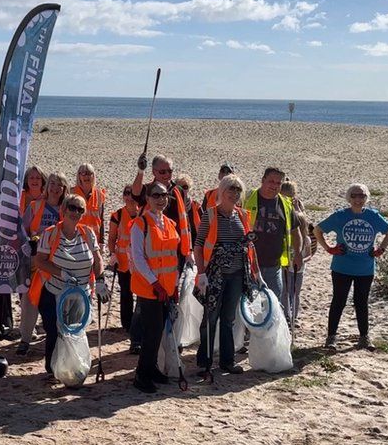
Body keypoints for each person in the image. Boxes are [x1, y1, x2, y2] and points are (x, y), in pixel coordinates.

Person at [29, 195, 107, 376]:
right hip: (54, 292)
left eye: (80, 209)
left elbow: (97, 259)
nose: (76, 212)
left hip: (81, 294)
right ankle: (53, 369)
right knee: (55, 331)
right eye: (72, 208)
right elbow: (40, 262)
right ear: (63, 209)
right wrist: (62, 273)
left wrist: (101, 279)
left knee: (75, 331)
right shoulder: (50, 233)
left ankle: (72, 368)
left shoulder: (87, 233)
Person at [314, 183, 388, 350]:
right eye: (354, 196)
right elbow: (318, 230)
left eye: (362, 196)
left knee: (361, 302)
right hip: (342, 267)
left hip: (365, 268)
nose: (358, 199)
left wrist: (381, 249)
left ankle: (364, 337)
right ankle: (331, 338)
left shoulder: (373, 216)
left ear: (366, 198)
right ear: (349, 198)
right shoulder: (340, 216)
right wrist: (329, 248)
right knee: (339, 301)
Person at [194, 174, 259, 375]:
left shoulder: (242, 215)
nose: (234, 193)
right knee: (210, 317)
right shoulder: (210, 215)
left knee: (229, 318)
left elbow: (249, 245)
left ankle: (227, 361)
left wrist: (255, 271)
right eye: (230, 189)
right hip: (215, 275)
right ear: (221, 191)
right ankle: (204, 362)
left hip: (237, 275)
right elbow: (199, 244)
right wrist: (201, 273)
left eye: (238, 190)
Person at [130, 183, 187, 393]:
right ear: (147, 197)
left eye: (164, 195)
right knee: (152, 333)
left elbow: (174, 258)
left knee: (159, 331)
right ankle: (141, 375)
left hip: (167, 288)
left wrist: (173, 286)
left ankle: (151, 368)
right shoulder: (140, 224)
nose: (161, 199)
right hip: (149, 289)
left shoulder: (170, 223)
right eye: (156, 195)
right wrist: (155, 282)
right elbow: (138, 258)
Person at [17, 172, 68, 355]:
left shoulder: (67, 208)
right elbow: (23, 230)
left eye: (59, 185)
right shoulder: (35, 206)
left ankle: (55, 338)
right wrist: (29, 242)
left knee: (56, 301)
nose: (55, 188)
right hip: (35, 260)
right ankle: (25, 338)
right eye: (52, 184)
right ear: (47, 187)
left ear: (64, 189)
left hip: (57, 262)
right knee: (30, 300)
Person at [243, 168, 304, 300]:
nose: (274, 185)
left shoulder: (285, 204)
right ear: (263, 180)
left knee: (274, 305)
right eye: (271, 181)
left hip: (274, 267)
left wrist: (298, 253)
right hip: (248, 264)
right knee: (248, 305)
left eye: (278, 183)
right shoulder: (247, 199)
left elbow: (295, 231)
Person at [130, 153, 194, 267]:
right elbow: (135, 193)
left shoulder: (178, 190)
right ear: (154, 172)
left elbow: (186, 221)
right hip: (153, 248)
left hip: (176, 247)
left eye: (170, 171)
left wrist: (189, 250)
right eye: (162, 172)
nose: (167, 175)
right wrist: (140, 171)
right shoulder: (148, 190)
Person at [108, 185, 143, 354]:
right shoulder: (117, 215)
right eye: (126, 194)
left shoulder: (142, 214)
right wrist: (112, 254)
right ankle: (127, 324)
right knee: (125, 293)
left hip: (138, 262)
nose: (128, 197)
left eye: (131, 194)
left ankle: (137, 324)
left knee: (140, 294)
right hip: (122, 262)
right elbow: (112, 238)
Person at [279, 180, 314, 327]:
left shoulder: (299, 210)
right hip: (285, 265)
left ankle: (294, 316)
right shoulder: (280, 206)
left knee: (295, 292)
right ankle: (286, 315)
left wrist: (303, 259)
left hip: (298, 268)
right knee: (285, 291)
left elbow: (309, 250)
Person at [72, 163, 107, 251]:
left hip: (94, 239)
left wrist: (102, 242)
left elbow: (101, 219)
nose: (86, 176)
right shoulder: (71, 193)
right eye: (83, 173)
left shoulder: (99, 194)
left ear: (93, 175)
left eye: (89, 173)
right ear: (79, 176)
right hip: (75, 238)